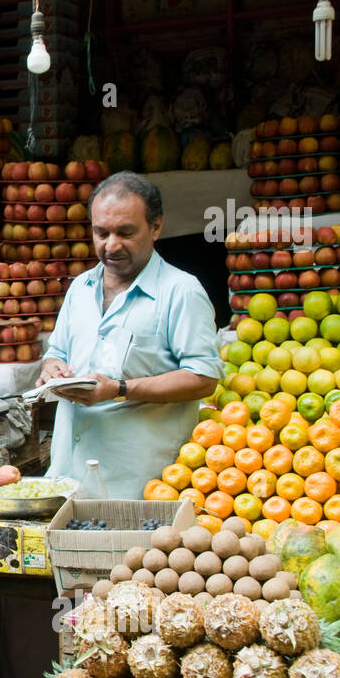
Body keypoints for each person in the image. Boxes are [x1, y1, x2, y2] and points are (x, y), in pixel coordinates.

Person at [38, 171, 223, 498]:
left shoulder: (180, 292)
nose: (111, 245)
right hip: (68, 479)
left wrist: (120, 389)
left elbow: (203, 377)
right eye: (101, 232)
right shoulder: (81, 287)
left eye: (125, 232)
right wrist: (52, 367)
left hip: (140, 487)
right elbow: (58, 351)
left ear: (156, 227)